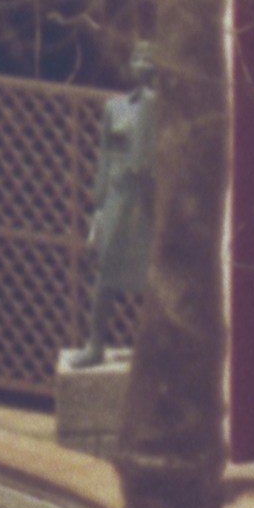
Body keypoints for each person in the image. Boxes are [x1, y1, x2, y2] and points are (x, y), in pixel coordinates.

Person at [65, 50, 158, 367]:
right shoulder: (115, 108)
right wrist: (99, 207)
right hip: (119, 196)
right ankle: (95, 344)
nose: (143, 64)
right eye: (138, 58)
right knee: (106, 271)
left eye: (150, 58)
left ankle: (155, 348)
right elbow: (105, 158)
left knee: (154, 276)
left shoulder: (165, 111)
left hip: (150, 199)